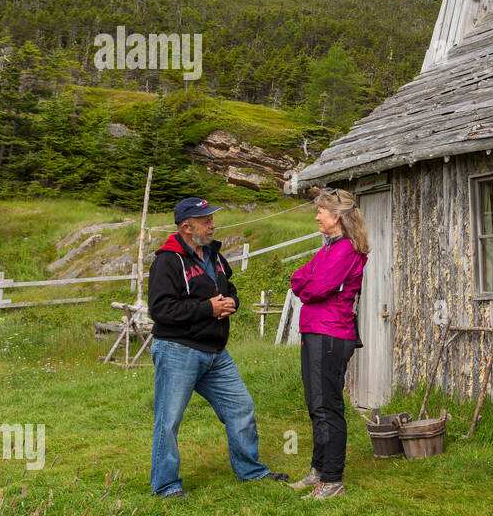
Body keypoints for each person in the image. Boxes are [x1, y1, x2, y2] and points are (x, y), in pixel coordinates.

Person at [147, 196, 289, 498]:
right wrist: (206, 309)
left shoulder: (214, 256)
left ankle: (250, 472)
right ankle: (166, 487)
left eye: (212, 219)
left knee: (241, 407)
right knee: (169, 420)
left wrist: (231, 303)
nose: (213, 225)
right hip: (177, 350)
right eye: (206, 220)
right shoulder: (167, 261)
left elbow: (230, 290)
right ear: (187, 227)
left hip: (215, 353)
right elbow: (160, 311)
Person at [285, 188, 369, 500]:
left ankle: (332, 479)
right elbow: (299, 278)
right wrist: (309, 286)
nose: (317, 216)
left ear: (338, 217)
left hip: (331, 333)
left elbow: (316, 286)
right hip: (318, 331)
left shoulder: (345, 249)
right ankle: (318, 471)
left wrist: (310, 287)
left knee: (327, 406)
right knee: (315, 403)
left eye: (322, 210)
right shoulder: (329, 248)